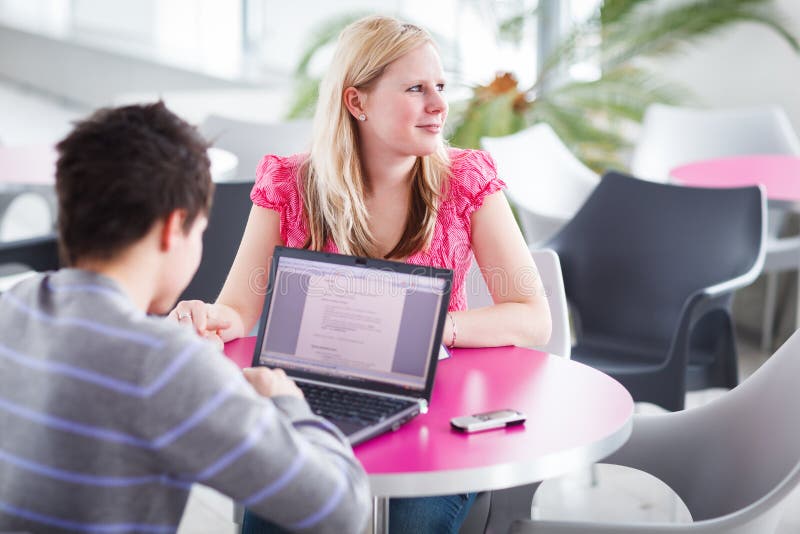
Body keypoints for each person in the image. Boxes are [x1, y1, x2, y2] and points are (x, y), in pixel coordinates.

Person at [174, 15, 552, 533]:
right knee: (277, 517)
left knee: (413, 520)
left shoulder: (466, 179)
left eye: (439, 87)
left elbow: (533, 317)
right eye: (416, 89)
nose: (439, 105)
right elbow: (238, 308)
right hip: (316, 404)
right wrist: (205, 315)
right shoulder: (289, 183)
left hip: (434, 415)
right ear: (357, 102)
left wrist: (440, 327)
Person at [0, 102, 370, 533]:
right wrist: (285, 402)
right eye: (200, 230)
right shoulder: (166, 366)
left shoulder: (14, 305)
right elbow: (340, 510)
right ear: (174, 226)